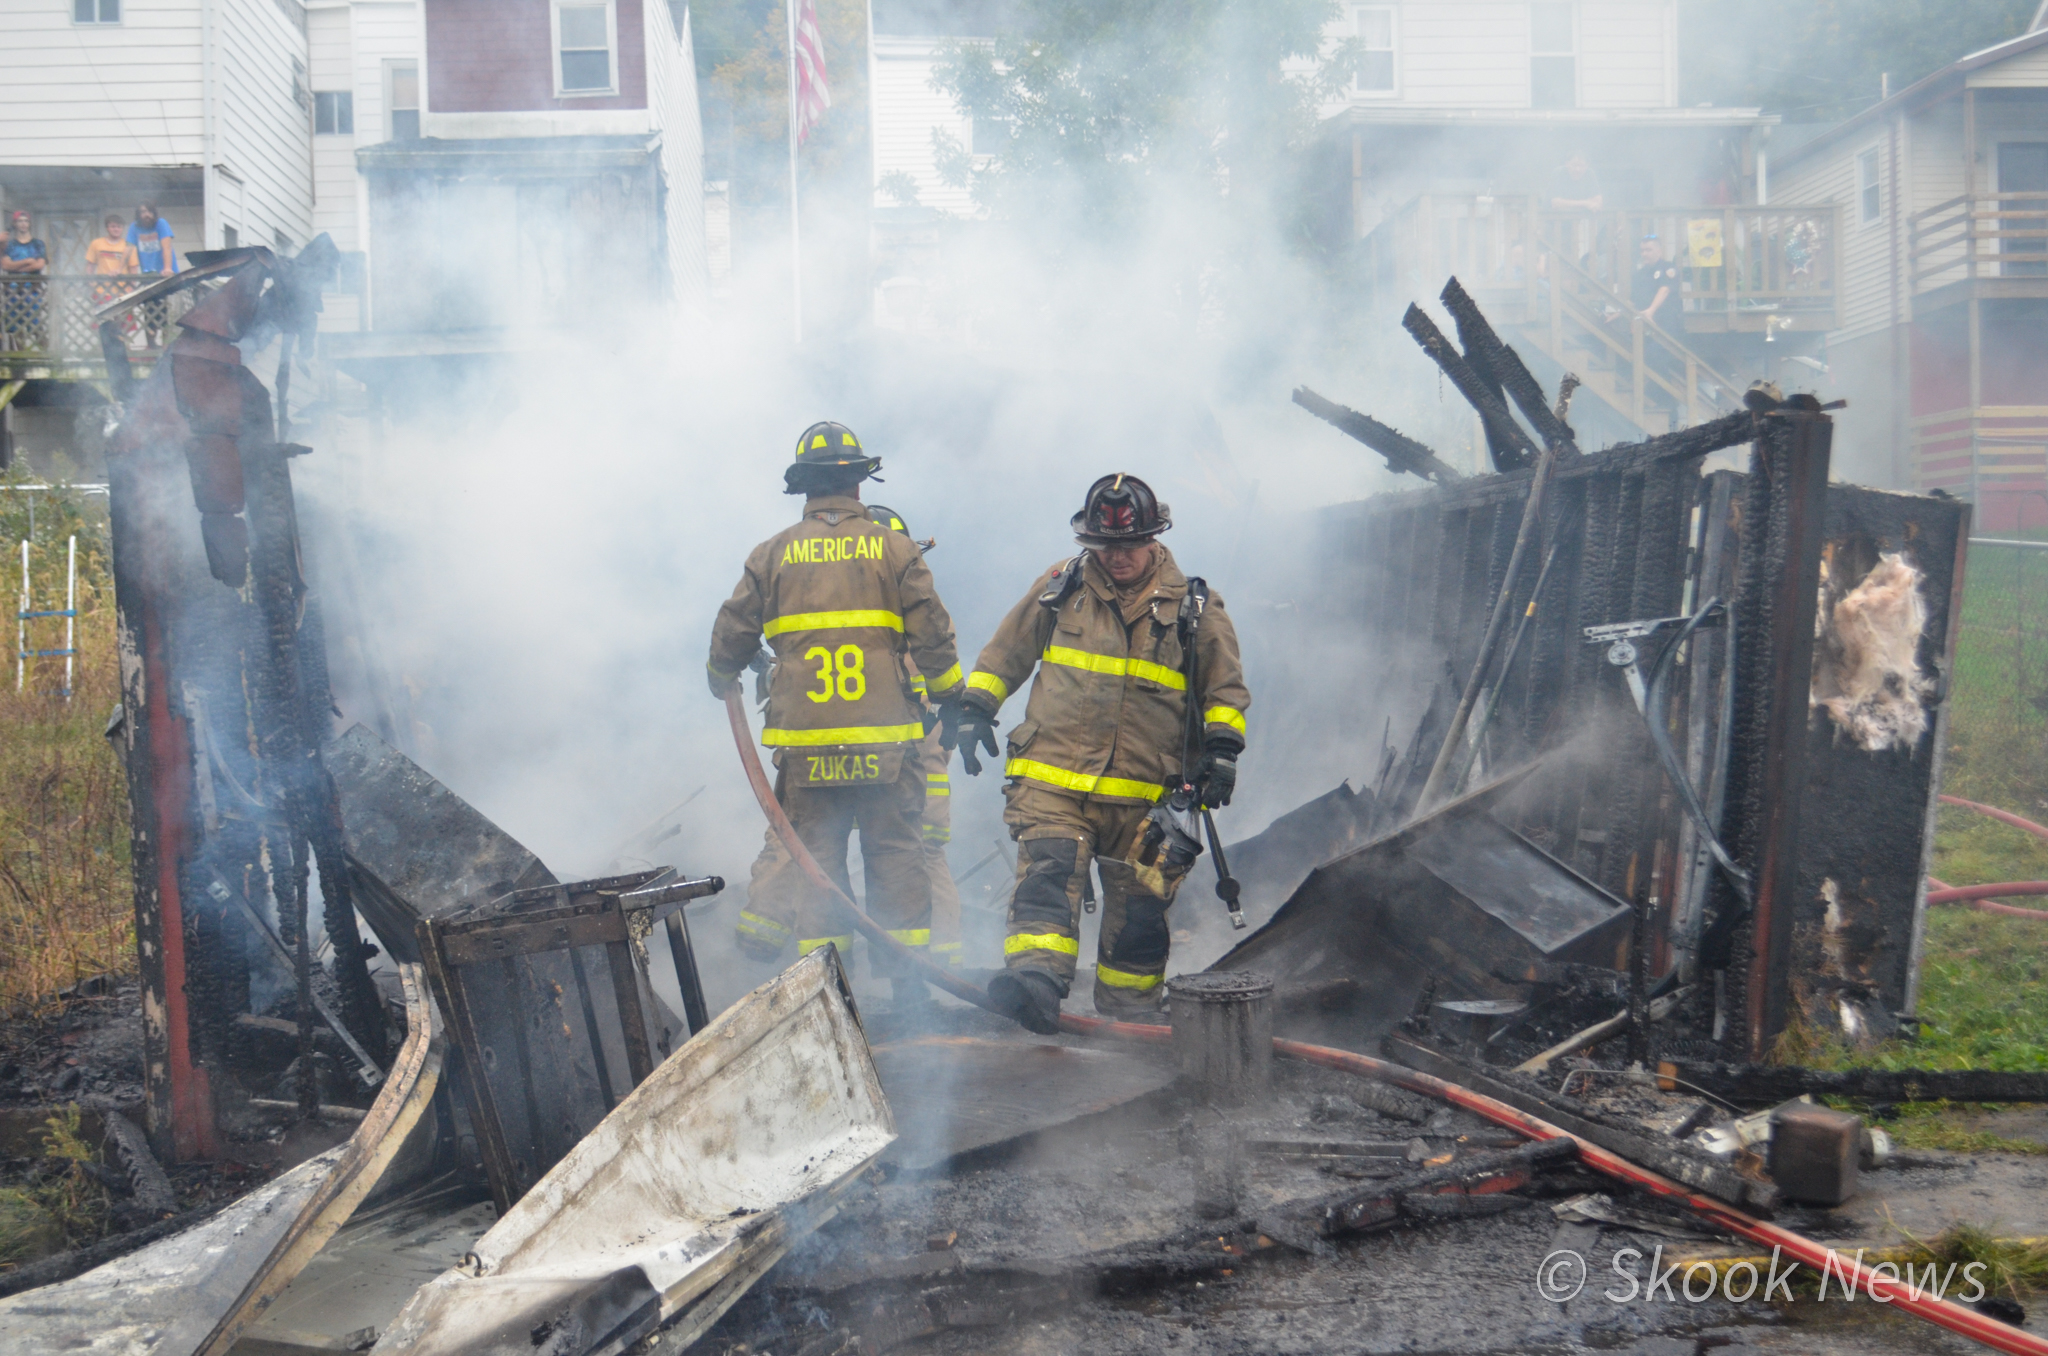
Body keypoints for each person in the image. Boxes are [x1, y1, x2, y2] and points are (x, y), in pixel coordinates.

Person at [943, 474, 1249, 1032]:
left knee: (1139, 921)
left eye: (1129, 547)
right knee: (1047, 877)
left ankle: (1127, 1027)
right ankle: (1033, 989)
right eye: (1104, 548)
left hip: (1146, 797)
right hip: (1053, 780)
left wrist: (1223, 750)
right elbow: (1005, 654)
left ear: (1155, 539)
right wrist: (974, 709)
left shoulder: (1196, 608)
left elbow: (1224, 691)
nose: (1117, 558)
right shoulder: (1062, 587)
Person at [708, 424, 965, 1007]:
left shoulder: (771, 553)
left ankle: (833, 996)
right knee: (895, 856)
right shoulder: (893, 547)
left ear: (803, 487)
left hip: (807, 749)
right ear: (857, 482)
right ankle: (908, 994)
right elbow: (932, 632)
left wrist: (721, 672)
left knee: (817, 863)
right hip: (887, 746)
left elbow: (731, 631)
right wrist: (952, 700)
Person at [128, 205, 177, 346]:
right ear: (138, 214)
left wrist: (167, 268)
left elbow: (166, 247)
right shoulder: (134, 227)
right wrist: (118, 268)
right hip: (148, 277)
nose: (147, 215)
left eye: (149, 211)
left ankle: (167, 345)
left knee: (166, 311)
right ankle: (151, 345)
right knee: (149, 311)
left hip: (165, 276)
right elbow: (128, 248)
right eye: (143, 212)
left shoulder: (161, 223)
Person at [86, 215, 140, 342]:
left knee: (123, 327)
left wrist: (130, 289)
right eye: (113, 226)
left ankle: (126, 354)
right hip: (101, 292)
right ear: (107, 228)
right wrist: (92, 284)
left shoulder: (129, 246)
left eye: (119, 227)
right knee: (104, 325)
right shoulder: (96, 244)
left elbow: (133, 270)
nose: (116, 229)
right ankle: (103, 353)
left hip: (122, 293)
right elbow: (90, 266)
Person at [2, 211, 49, 353]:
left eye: (26, 221)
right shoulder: (9, 245)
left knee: (35, 325)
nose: (23, 224)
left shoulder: (38, 244)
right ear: (15, 224)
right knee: (15, 327)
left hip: (32, 290)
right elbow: (5, 265)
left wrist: (16, 265)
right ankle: (19, 359)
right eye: (20, 221)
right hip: (13, 291)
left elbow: (39, 265)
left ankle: (45, 356)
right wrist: (27, 261)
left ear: (29, 223)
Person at [1630, 233, 1678, 329]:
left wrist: (1651, 311)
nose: (1644, 254)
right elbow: (1633, 300)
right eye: (1642, 251)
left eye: (1648, 250)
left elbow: (1664, 290)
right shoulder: (1639, 274)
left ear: (1659, 252)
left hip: (1666, 323)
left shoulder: (1668, 268)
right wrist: (1618, 313)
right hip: (1645, 323)